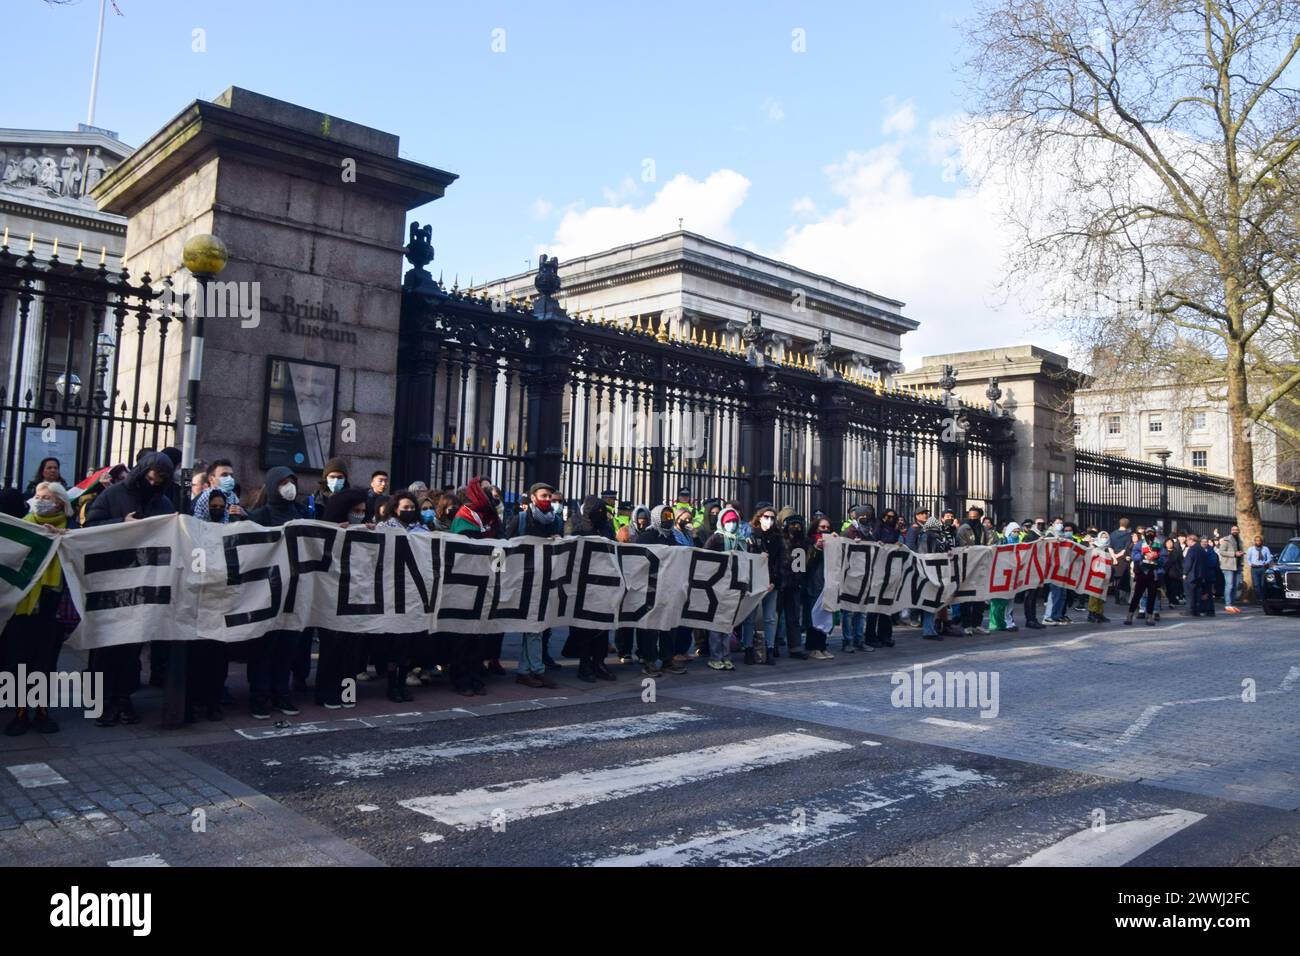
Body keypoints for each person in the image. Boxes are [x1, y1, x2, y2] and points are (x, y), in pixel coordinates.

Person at [85, 451, 178, 726]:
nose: (154, 479)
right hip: (111, 580)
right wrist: (120, 524)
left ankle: (123, 699)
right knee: (105, 647)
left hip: (142, 583)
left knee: (131, 648)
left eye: (161, 476)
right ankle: (100, 702)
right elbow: (90, 525)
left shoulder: (163, 502)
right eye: (152, 473)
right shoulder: (113, 495)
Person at [2, 482, 71, 736]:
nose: (40, 501)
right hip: (22, 605)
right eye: (38, 497)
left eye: (46, 498)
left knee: (45, 661)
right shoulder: (23, 524)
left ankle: (41, 710)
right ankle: (20, 712)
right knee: (19, 659)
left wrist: (61, 540)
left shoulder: (70, 531)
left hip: (52, 607)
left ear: (60, 503)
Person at [506, 482, 562, 689]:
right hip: (524, 579)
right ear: (532, 498)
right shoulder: (520, 520)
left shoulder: (555, 521)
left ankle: (526, 669)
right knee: (534, 626)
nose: (547, 499)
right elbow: (504, 547)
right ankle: (535, 669)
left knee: (537, 627)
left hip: (546, 578)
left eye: (550, 496)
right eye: (543, 496)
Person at [376, 491, 426, 702]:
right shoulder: (384, 528)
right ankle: (391, 685)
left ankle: (403, 683)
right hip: (391, 591)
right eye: (405, 508)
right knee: (393, 643)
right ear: (395, 508)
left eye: (412, 507)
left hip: (414, 594)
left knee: (408, 643)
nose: (409, 511)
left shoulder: (423, 530)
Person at [562, 495, 618, 682]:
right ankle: (585, 665)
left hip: (603, 582)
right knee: (585, 628)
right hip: (582, 583)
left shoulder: (606, 526)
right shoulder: (574, 524)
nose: (599, 515)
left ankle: (599, 663)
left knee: (603, 628)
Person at [635, 504, 688, 675]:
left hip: (669, 587)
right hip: (651, 587)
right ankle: (649, 660)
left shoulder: (673, 536)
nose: (669, 520)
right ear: (657, 517)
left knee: (669, 625)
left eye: (670, 517)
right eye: (665, 517)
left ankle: (667, 659)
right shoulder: (647, 536)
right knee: (650, 626)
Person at [741, 505, 783, 665]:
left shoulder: (777, 537)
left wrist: (774, 581)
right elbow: (747, 558)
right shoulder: (751, 535)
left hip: (770, 583)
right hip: (754, 582)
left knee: (770, 617)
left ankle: (769, 649)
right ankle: (748, 648)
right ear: (759, 518)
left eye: (772, 518)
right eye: (766, 517)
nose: (769, 520)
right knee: (749, 617)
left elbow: (780, 561)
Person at [803, 516, 838, 659]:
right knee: (814, 617)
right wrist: (816, 548)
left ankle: (822, 646)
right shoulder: (808, 541)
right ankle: (813, 647)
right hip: (813, 584)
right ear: (816, 527)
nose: (826, 530)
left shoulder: (831, 542)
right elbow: (804, 564)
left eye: (828, 528)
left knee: (825, 616)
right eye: (822, 527)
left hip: (827, 584)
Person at [1126, 542, 1163, 626]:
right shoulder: (1140, 544)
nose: (1150, 536)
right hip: (1142, 573)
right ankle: (1130, 615)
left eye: (1152, 533)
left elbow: (1164, 558)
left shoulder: (1157, 544)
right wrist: (1143, 556)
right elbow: (1134, 556)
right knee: (1137, 596)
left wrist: (1157, 557)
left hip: (1153, 574)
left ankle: (1150, 616)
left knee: (1152, 596)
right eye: (1148, 534)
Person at [1218, 525, 1243, 612]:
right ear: (1231, 531)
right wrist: (1234, 554)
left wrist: (1241, 553)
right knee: (1229, 585)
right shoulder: (1226, 539)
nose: (1235, 531)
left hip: (1238, 565)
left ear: (1239, 531)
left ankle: (1232, 604)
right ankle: (1227, 604)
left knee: (1236, 586)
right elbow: (1221, 552)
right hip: (1228, 566)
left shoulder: (1240, 540)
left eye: (1236, 529)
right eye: (1233, 529)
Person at [1246, 536, 1273, 604]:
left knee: (1263, 584)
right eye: (1256, 541)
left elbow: (1269, 558)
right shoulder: (1251, 549)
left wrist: (1265, 563)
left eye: (1259, 541)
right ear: (1254, 541)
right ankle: (1259, 599)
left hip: (1263, 568)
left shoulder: (1265, 549)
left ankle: (1264, 598)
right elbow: (1248, 559)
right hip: (1254, 568)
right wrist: (1251, 564)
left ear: (1261, 541)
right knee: (1256, 584)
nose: (1258, 542)